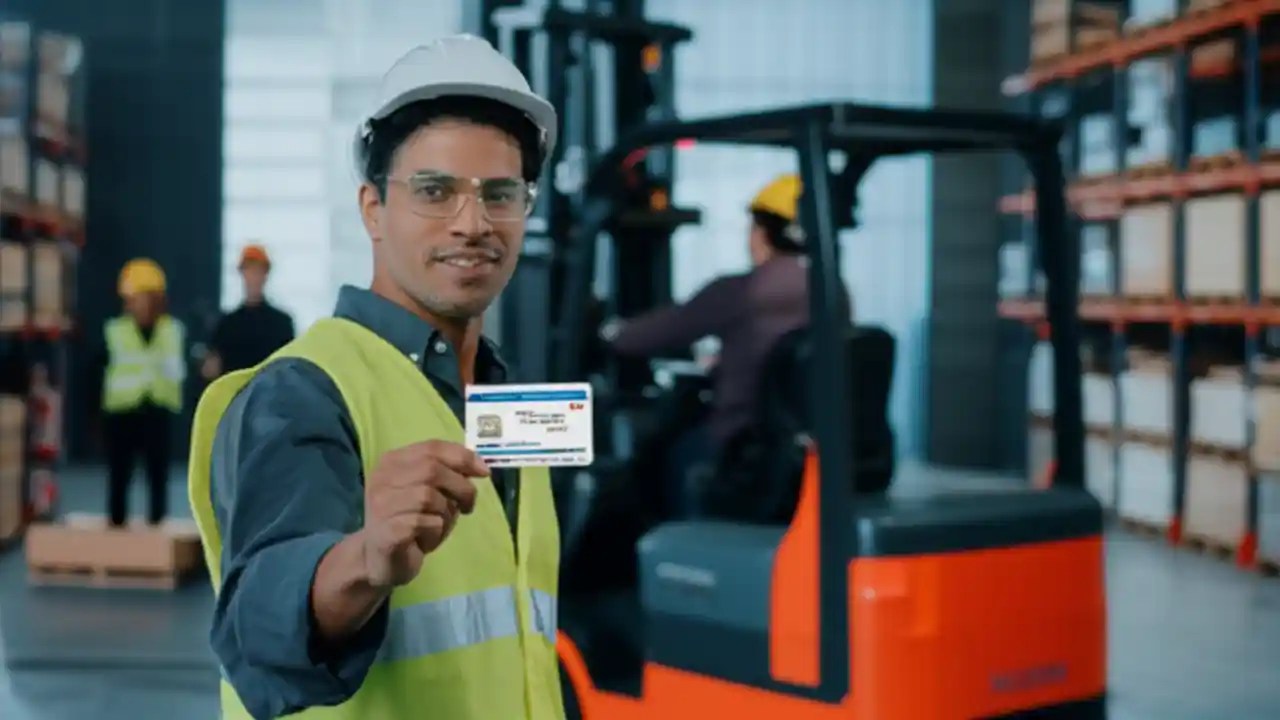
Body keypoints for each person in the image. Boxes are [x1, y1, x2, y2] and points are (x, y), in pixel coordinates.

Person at [186, 35, 564, 720]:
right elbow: (258, 633)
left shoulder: (507, 395)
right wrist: (363, 557)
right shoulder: (304, 391)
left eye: (501, 194)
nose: (474, 222)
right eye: (434, 191)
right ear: (371, 209)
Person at [602, 173, 853, 515]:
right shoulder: (834, 291)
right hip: (805, 448)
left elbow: (662, 331)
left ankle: (679, 544)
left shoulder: (743, 290)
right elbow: (785, 360)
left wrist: (612, 333)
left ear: (763, 233)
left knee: (662, 457)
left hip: (739, 444)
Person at [88, 258, 187, 527]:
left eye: (143, 297)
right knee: (119, 476)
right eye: (132, 298)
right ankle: (117, 531)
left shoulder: (173, 331)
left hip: (157, 411)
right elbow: (96, 375)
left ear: (157, 298)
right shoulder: (114, 331)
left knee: (158, 478)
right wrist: (95, 416)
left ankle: (158, 531)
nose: (137, 304)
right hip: (122, 414)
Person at [201, 244, 295, 380]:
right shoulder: (227, 325)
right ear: (242, 273)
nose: (253, 276)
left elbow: (288, 371)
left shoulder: (282, 324)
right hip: (237, 398)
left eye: (258, 270)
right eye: (250, 269)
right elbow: (211, 372)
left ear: (266, 274)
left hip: (269, 398)